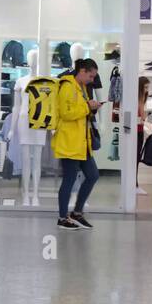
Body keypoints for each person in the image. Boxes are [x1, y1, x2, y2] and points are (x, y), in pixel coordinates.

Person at [53, 58, 102, 231]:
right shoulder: (67, 86)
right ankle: (62, 217)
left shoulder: (81, 88)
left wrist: (92, 107)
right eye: (90, 75)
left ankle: (77, 213)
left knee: (93, 175)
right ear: (81, 71)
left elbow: (81, 112)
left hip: (82, 143)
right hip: (69, 142)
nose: (92, 80)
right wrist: (88, 107)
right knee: (69, 179)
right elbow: (66, 114)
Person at [136, 77, 150, 196]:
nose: (147, 90)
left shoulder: (141, 99)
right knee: (135, 160)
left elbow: (143, 117)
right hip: (135, 132)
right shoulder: (137, 99)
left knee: (136, 159)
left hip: (139, 131)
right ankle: (134, 185)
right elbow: (142, 117)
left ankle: (135, 185)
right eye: (145, 87)